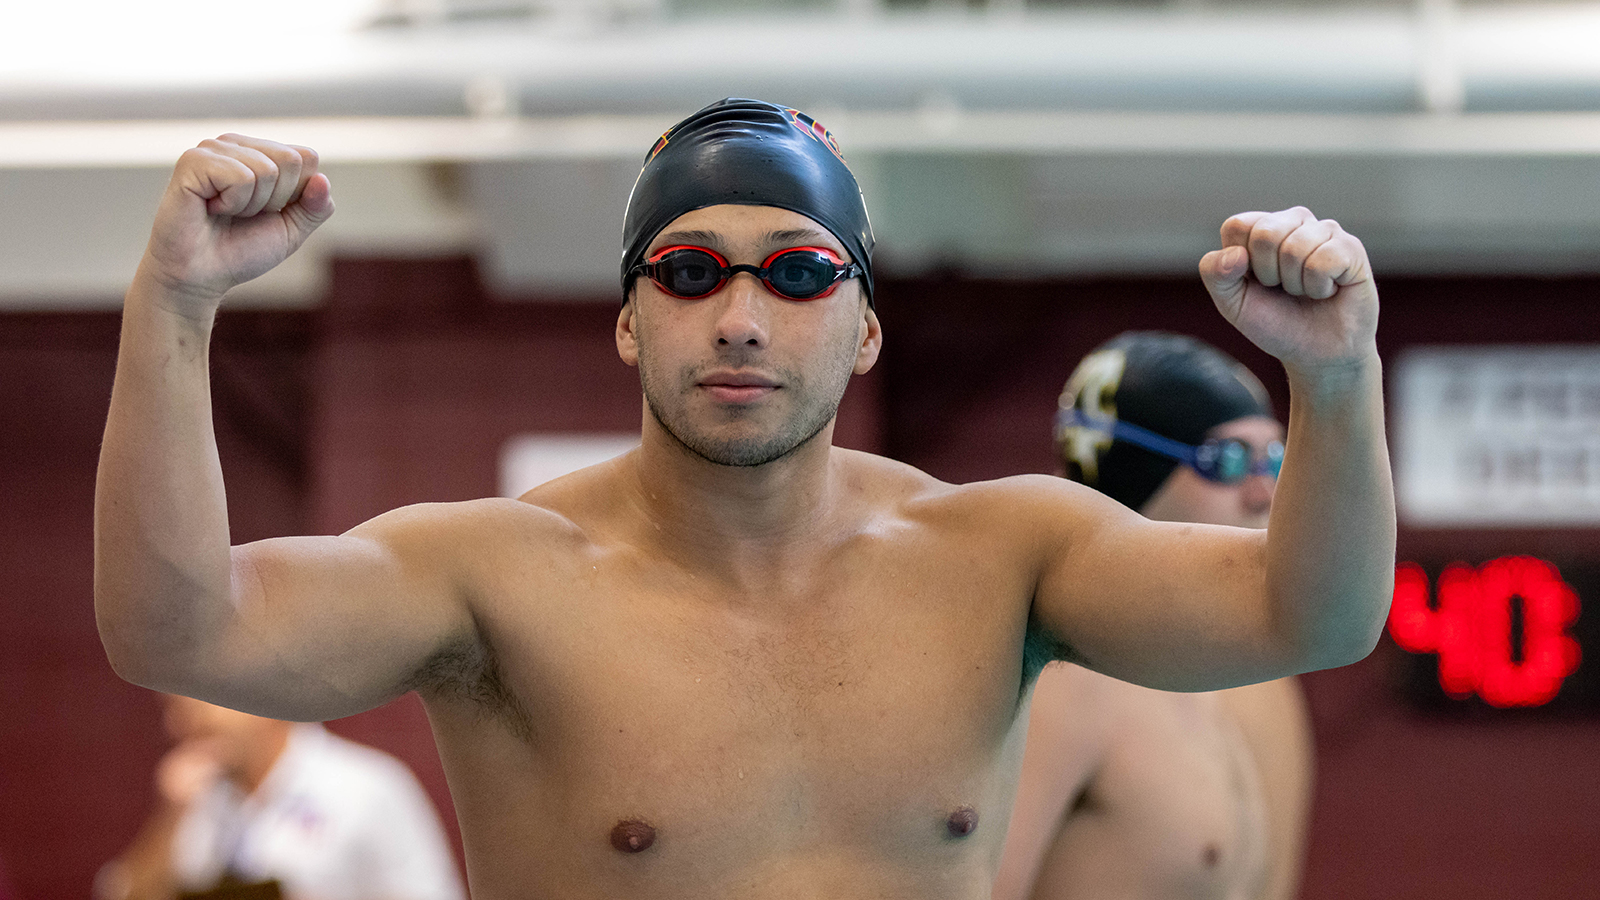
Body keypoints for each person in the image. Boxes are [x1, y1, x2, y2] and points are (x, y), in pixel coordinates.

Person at [94, 98, 1394, 897]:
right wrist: (175, 304)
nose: (740, 316)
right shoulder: (492, 578)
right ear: (626, 322)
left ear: (869, 332)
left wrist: (1334, 382)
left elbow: (1314, 614)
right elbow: (178, 629)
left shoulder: (1004, 556)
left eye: (799, 273)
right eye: (690, 268)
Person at [993, 333, 1315, 900]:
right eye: (1228, 461)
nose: (1264, 491)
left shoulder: (1258, 674)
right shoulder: (1060, 682)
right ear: (1135, 475)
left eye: (1275, 457)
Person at [93, 695, 464, 900]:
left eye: (201, 705)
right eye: (174, 708)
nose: (183, 724)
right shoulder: (193, 803)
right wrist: (168, 818)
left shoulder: (370, 787)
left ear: (262, 702)